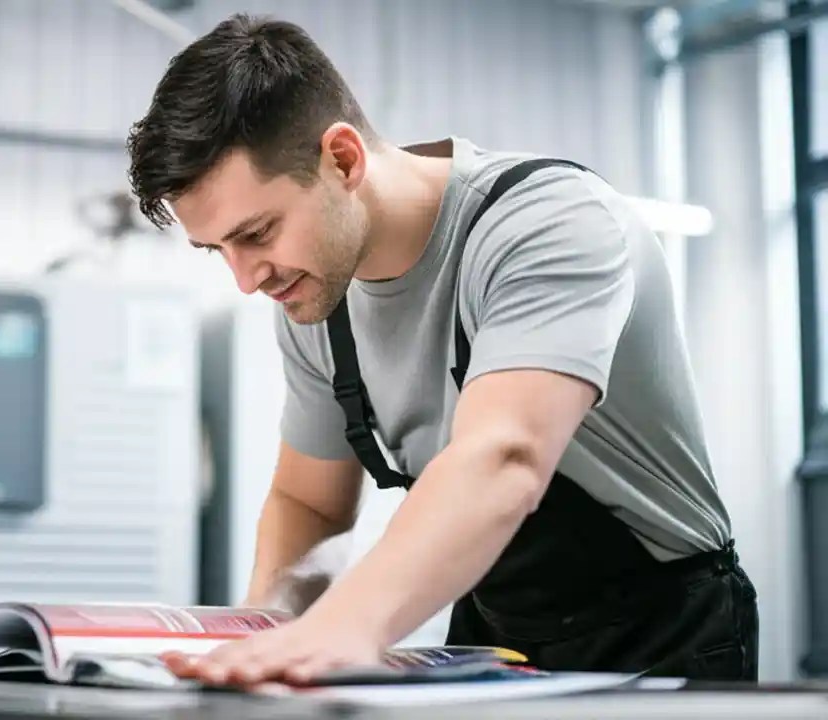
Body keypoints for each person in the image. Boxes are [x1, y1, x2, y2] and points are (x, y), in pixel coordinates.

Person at [124, 13, 759, 686]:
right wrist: (267, 632)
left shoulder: (545, 223)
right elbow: (307, 504)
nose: (247, 279)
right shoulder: (314, 301)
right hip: (500, 635)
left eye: (257, 232)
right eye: (216, 249)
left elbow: (504, 458)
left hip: (664, 630)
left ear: (342, 159)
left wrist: (347, 624)